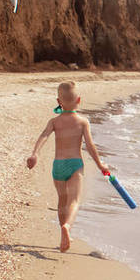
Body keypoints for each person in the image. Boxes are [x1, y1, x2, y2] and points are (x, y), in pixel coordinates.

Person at [26, 81, 108, 252]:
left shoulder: (54, 121)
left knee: (62, 201)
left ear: (58, 101)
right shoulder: (83, 121)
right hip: (75, 164)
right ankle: (67, 228)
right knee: (74, 200)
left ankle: (63, 234)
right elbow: (91, 146)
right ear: (79, 100)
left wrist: (35, 153)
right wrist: (100, 164)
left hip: (58, 166)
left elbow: (44, 136)